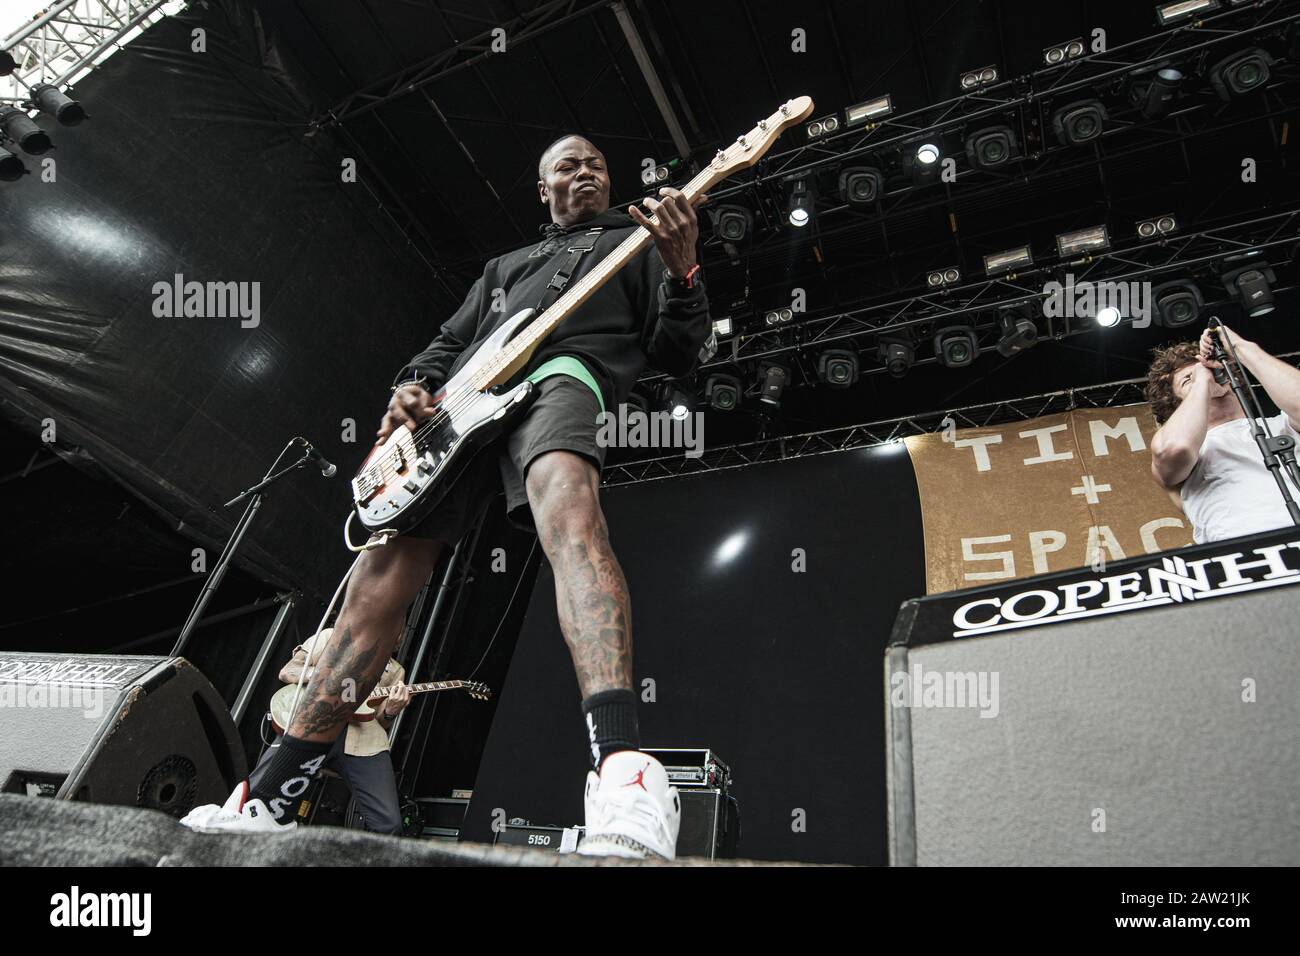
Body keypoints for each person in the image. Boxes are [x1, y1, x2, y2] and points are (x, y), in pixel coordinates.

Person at [181, 134, 711, 859]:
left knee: (571, 518)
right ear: (542, 188)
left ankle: (625, 774)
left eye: (596, 163)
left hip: (563, 376)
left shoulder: (642, 241)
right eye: (567, 164)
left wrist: (684, 274)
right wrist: (410, 386)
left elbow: (678, 355)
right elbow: (444, 346)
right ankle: (270, 794)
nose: (585, 171)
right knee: (377, 586)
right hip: (459, 412)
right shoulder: (503, 267)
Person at [1148, 323, 1300, 543]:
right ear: (1173, 405)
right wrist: (1201, 379)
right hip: (1249, 557)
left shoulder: (1281, 425)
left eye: (1212, 370)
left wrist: (1237, 346)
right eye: (1186, 380)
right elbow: (1173, 448)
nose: (1208, 374)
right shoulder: (1190, 449)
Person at [277, 628, 410, 834]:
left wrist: (391, 711)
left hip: (363, 741)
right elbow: (288, 671)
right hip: (313, 723)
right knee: (260, 793)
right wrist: (330, 678)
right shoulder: (332, 636)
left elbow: (381, 721)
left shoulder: (395, 670)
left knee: (389, 824)